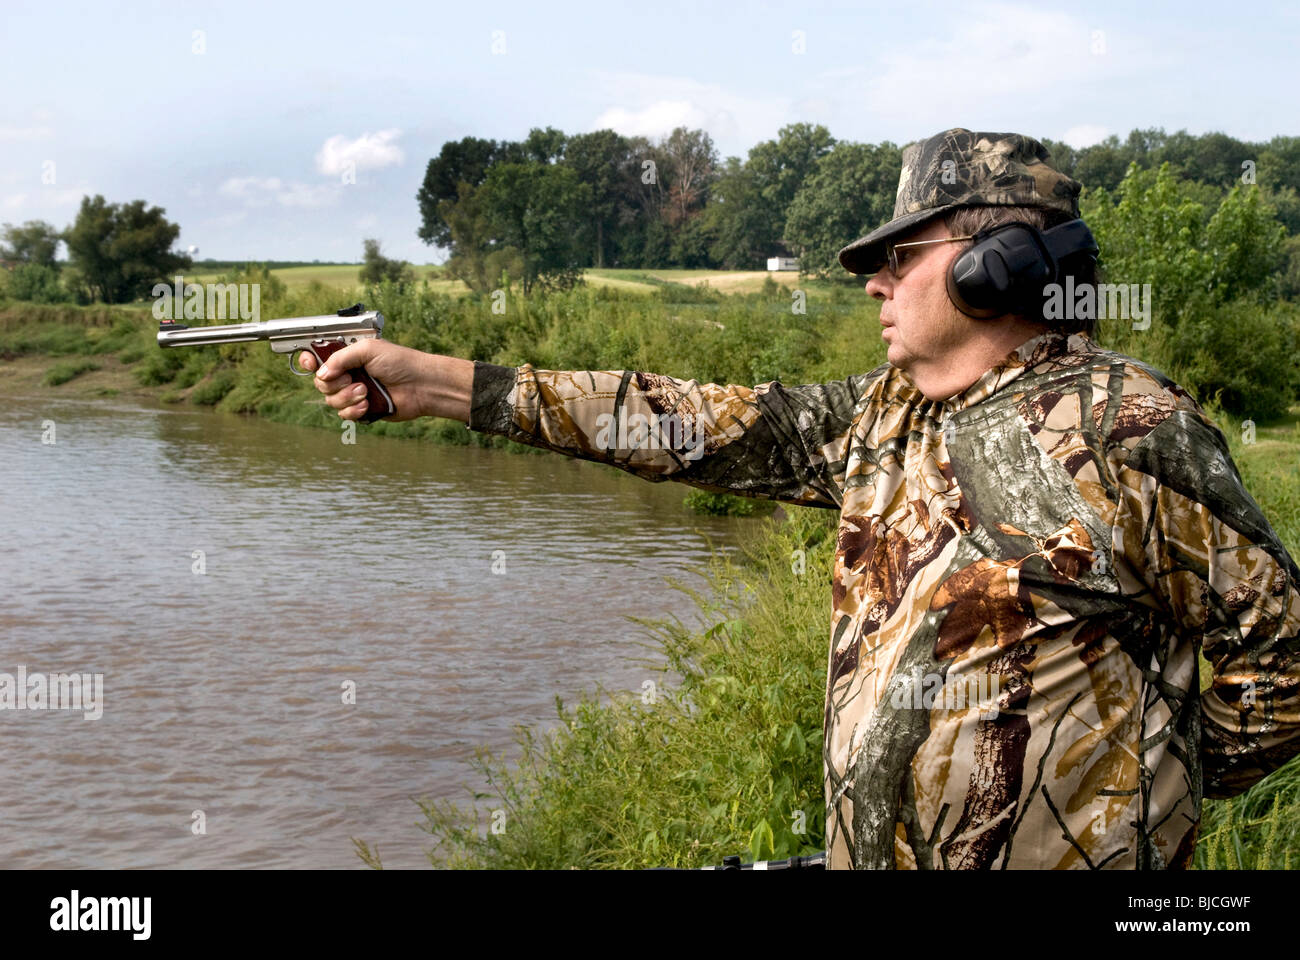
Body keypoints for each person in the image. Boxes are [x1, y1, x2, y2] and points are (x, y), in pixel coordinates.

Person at [300, 128, 1300, 870]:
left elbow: (1285, 659)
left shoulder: (1126, 426)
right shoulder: (885, 417)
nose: (873, 284)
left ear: (1003, 265)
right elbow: (675, 421)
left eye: (898, 257)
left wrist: (1137, 798)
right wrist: (431, 384)